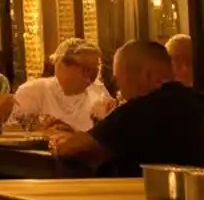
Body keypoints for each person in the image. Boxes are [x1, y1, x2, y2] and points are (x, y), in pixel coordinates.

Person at [53, 40, 204, 176]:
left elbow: (71, 148)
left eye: (120, 80)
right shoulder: (197, 101)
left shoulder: (139, 111)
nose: (121, 92)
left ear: (148, 75)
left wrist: (61, 141)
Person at [12, 38, 114, 132]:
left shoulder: (98, 91)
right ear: (61, 66)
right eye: (86, 69)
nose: (92, 76)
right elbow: (13, 134)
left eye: (96, 69)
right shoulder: (32, 92)